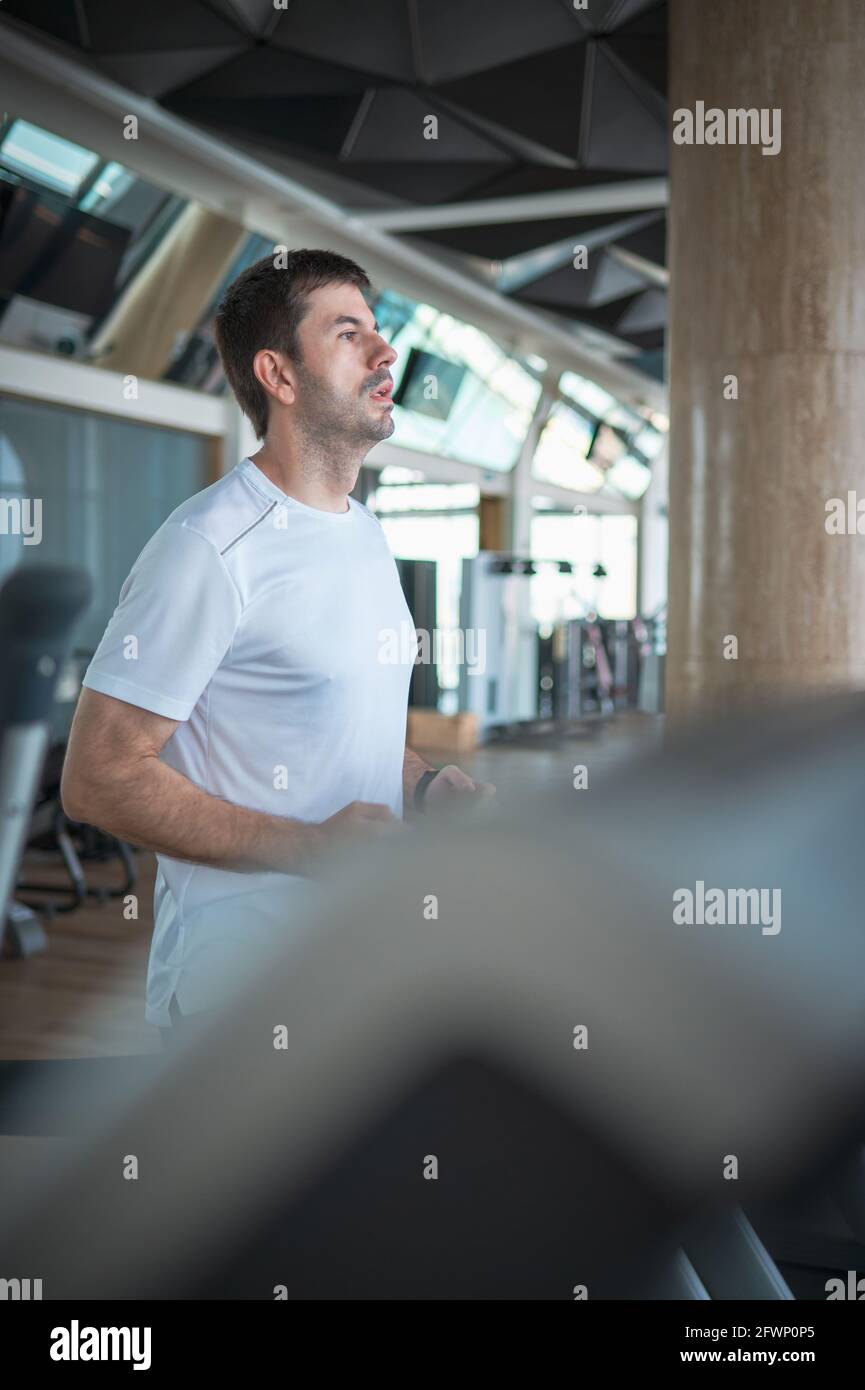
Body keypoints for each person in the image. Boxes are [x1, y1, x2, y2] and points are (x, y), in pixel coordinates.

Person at [60, 248, 492, 1036]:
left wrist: (424, 786)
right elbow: (97, 779)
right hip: (240, 994)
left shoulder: (365, 535)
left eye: (378, 329)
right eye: (347, 333)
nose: (384, 350)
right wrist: (304, 848)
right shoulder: (209, 546)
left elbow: (338, 734)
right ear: (280, 376)